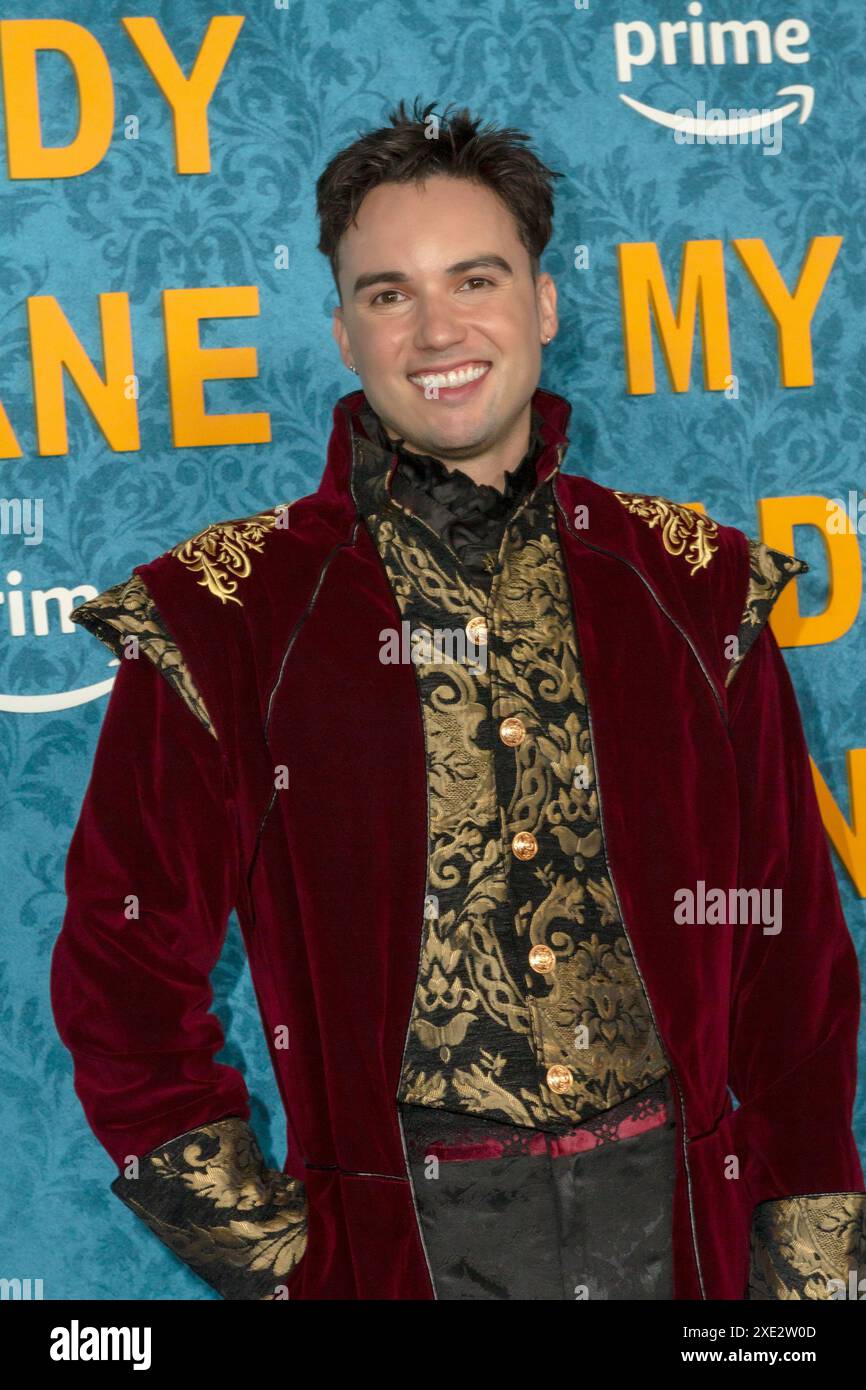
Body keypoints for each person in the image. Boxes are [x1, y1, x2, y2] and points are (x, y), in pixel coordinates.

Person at [51, 97, 865, 1301]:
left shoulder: (697, 589)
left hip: (684, 1247)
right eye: (388, 293)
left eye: (474, 279)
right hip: (395, 1258)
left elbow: (789, 953)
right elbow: (124, 970)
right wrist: (278, 1259)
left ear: (540, 303)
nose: (437, 329)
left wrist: (803, 1268)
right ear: (341, 328)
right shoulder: (227, 613)